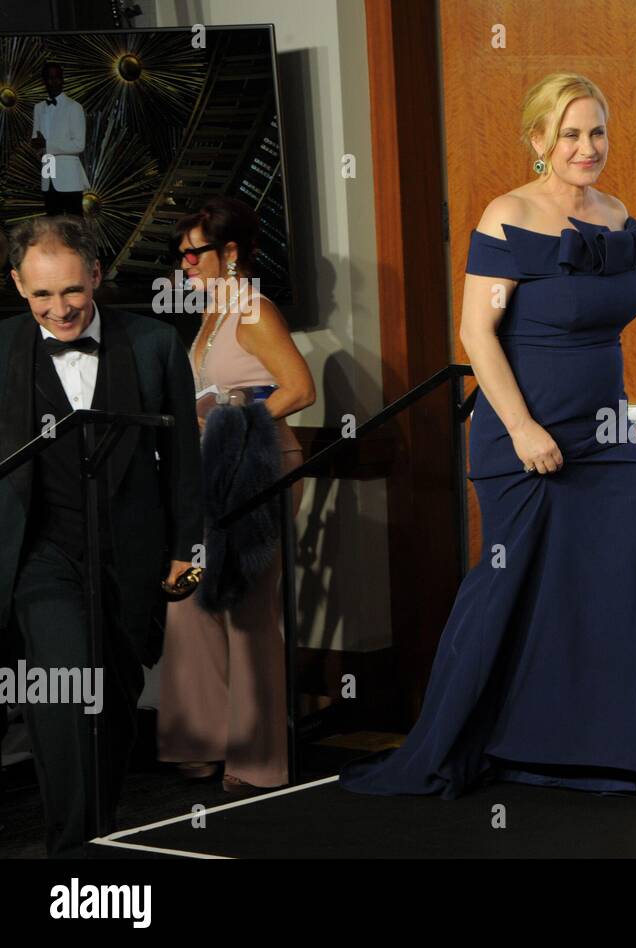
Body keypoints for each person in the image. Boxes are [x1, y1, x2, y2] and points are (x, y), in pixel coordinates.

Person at [340, 72, 636, 807]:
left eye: (597, 132)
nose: (586, 146)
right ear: (538, 139)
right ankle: (466, 737)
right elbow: (475, 333)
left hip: (604, 436)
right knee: (507, 587)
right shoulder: (506, 217)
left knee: (623, 585)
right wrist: (521, 428)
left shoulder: (615, 214)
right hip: (521, 439)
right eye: (570, 133)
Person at [0, 215, 202, 857]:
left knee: (113, 702)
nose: (58, 309)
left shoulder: (154, 341)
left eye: (71, 291)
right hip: (39, 552)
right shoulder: (0, 348)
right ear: (16, 286)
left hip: (130, 549)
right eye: (41, 295)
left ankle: (98, 831)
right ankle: (73, 857)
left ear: (95, 275)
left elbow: (184, 456)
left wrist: (182, 547)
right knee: (62, 688)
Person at [155, 196, 315, 795]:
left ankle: (257, 758)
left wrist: (235, 421)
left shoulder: (252, 309)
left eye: (194, 253)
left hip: (259, 467)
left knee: (247, 607)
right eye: (182, 254)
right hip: (215, 468)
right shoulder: (215, 312)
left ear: (231, 252)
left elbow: (300, 387)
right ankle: (201, 742)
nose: (185, 263)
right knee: (190, 599)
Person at [31, 62, 89, 218]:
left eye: (57, 77)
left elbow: (79, 144)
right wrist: (37, 147)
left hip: (69, 177)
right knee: (52, 226)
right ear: (44, 81)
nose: (53, 82)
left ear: (62, 80)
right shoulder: (38, 108)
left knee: (74, 226)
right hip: (47, 172)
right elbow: (36, 140)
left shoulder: (74, 107)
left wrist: (47, 145)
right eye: (49, 78)